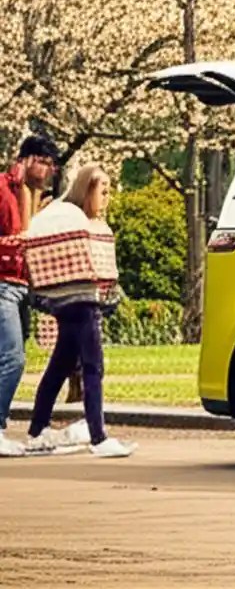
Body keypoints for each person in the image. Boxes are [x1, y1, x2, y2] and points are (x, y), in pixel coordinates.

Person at [23, 164, 135, 457]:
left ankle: (37, 428)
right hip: (82, 301)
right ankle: (98, 437)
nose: (107, 198)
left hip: (65, 302)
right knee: (93, 366)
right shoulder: (78, 225)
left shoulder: (65, 219)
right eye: (103, 191)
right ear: (87, 191)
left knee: (60, 365)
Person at [0, 135, 61, 457]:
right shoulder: (3, 188)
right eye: (46, 163)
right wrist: (15, 242)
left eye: (53, 165)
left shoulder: (33, 197)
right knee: (13, 358)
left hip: (19, 287)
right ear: (28, 159)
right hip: (2, 286)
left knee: (8, 357)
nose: (50, 170)